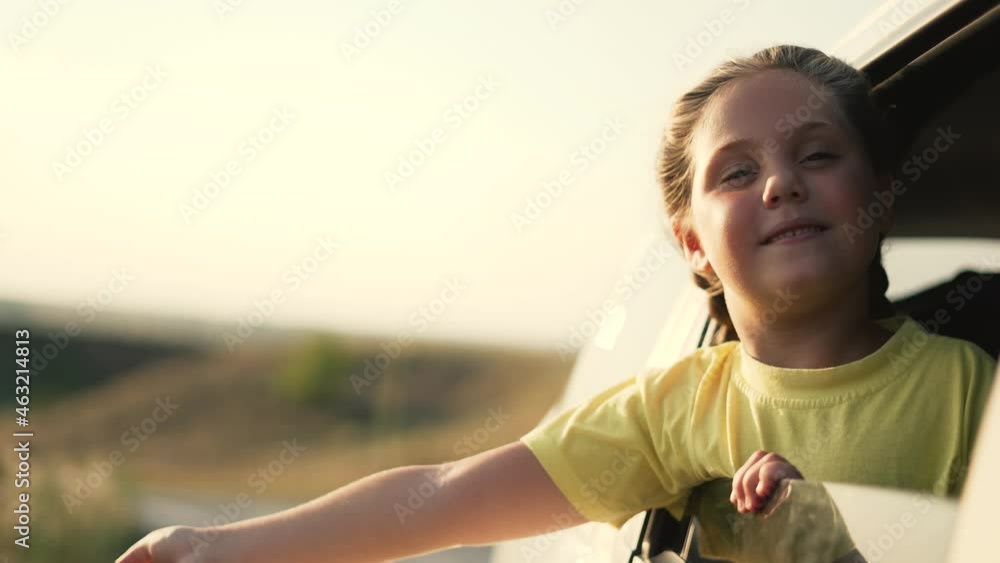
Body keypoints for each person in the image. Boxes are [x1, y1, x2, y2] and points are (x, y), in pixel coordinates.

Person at [116, 44, 997, 563]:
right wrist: (223, 549)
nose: (779, 185)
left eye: (817, 155)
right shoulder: (672, 409)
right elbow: (438, 493)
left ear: (881, 196)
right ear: (692, 243)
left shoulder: (972, 389)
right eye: (737, 170)